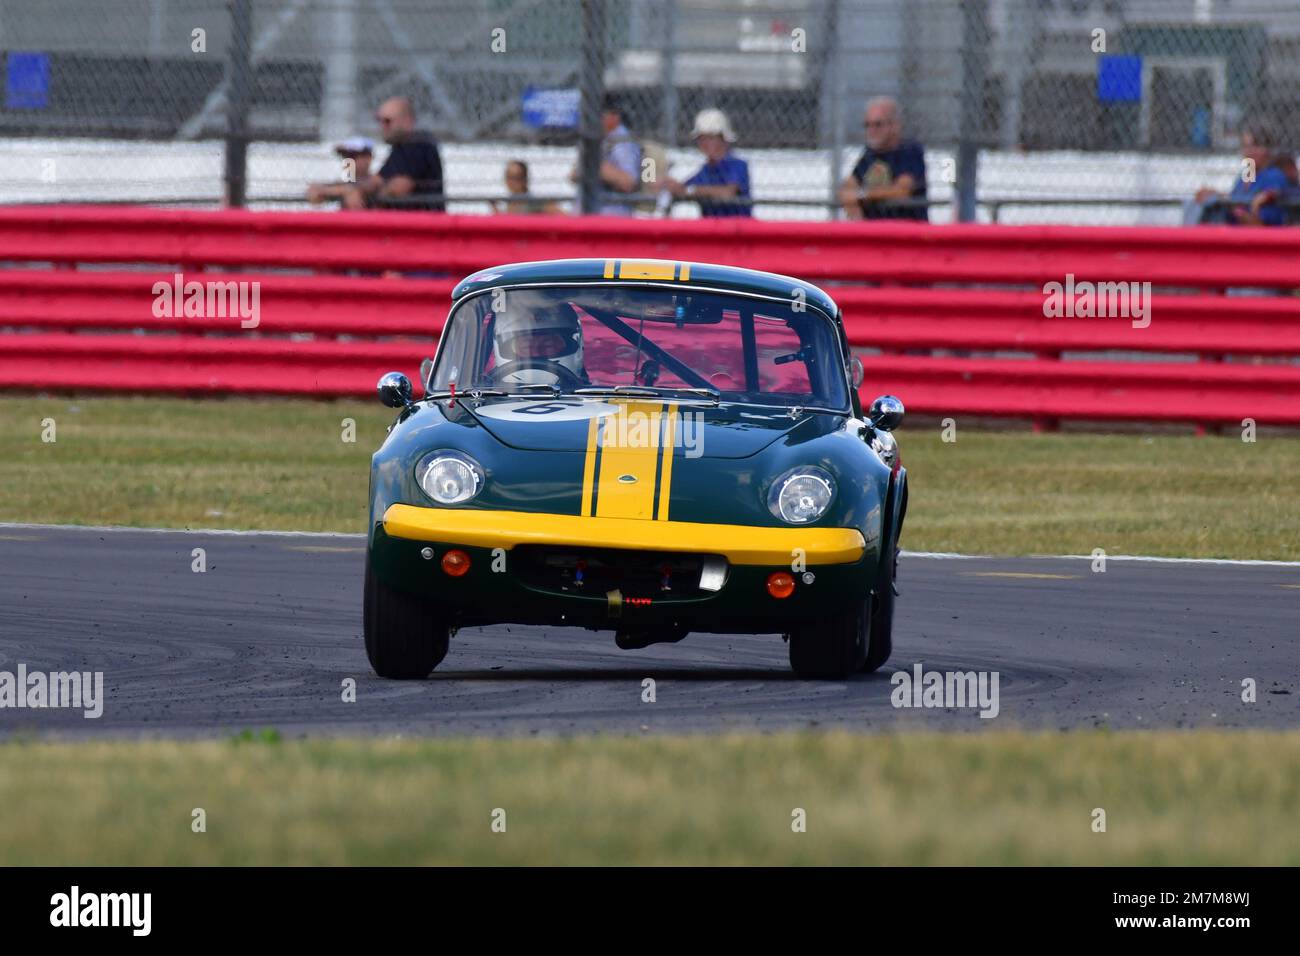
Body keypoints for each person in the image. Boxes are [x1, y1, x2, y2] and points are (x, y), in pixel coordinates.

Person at [345, 96, 445, 211]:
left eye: (387, 121)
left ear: (369, 156)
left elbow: (397, 187)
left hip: (420, 223)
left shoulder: (418, 145)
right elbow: (374, 181)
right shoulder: (398, 150)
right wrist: (347, 188)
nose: (382, 127)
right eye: (347, 155)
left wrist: (359, 191)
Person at [838, 96, 928, 221]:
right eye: (867, 125)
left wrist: (861, 195)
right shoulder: (870, 154)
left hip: (905, 230)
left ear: (895, 125)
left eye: (878, 125)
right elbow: (848, 187)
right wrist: (853, 207)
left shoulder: (910, 150)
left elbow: (901, 191)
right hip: (873, 231)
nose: (871, 130)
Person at [1190, 124, 1292, 227]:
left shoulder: (1273, 174)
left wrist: (1235, 208)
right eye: (1245, 147)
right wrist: (1216, 195)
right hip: (1237, 234)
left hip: (1263, 235)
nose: (1248, 152)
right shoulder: (1248, 175)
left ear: (1266, 150)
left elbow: (1259, 224)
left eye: (1254, 146)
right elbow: (1236, 198)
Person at [660, 109, 752, 217]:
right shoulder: (706, 170)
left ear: (723, 138)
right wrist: (672, 185)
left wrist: (692, 191)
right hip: (711, 230)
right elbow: (684, 189)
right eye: (701, 138)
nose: (705, 143)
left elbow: (727, 193)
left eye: (710, 138)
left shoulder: (737, 165)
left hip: (737, 229)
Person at [570, 97, 641, 215]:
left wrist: (597, 167)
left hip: (612, 212)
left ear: (614, 117)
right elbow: (573, 175)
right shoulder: (596, 138)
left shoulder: (622, 141)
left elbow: (629, 182)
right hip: (587, 209)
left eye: (599, 115)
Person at [490, 302, 589, 387]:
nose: (537, 353)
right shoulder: (483, 397)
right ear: (502, 348)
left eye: (548, 345)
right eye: (527, 346)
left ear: (573, 344)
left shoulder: (595, 399)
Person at [306, 137, 374, 206]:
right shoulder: (348, 181)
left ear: (368, 158)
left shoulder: (375, 181)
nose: (348, 161)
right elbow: (345, 186)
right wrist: (318, 189)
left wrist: (325, 190)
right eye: (345, 157)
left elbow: (352, 189)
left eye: (352, 156)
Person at [493, 160, 562, 215]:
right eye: (508, 177)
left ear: (524, 179)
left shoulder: (535, 202)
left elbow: (562, 215)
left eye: (516, 178)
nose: (511, 182)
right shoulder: (509, 202)